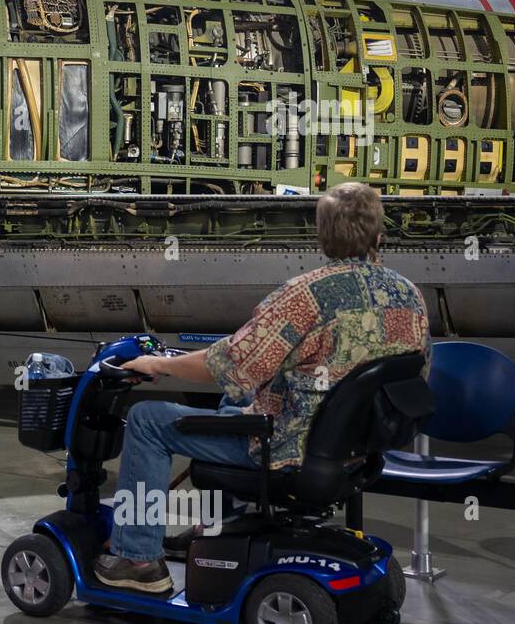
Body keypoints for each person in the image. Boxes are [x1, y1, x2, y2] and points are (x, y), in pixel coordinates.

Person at [97, 182, 431, 593]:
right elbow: (412, 377)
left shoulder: (305, 296)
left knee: (148, 419)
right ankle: (216, 529)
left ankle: (137, 558)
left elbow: (229, 365)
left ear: (321, 235)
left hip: (291, 452)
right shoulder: (409, 296)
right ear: (379, 234)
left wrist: (159, 365)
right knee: (233, 400)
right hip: (356, 454)